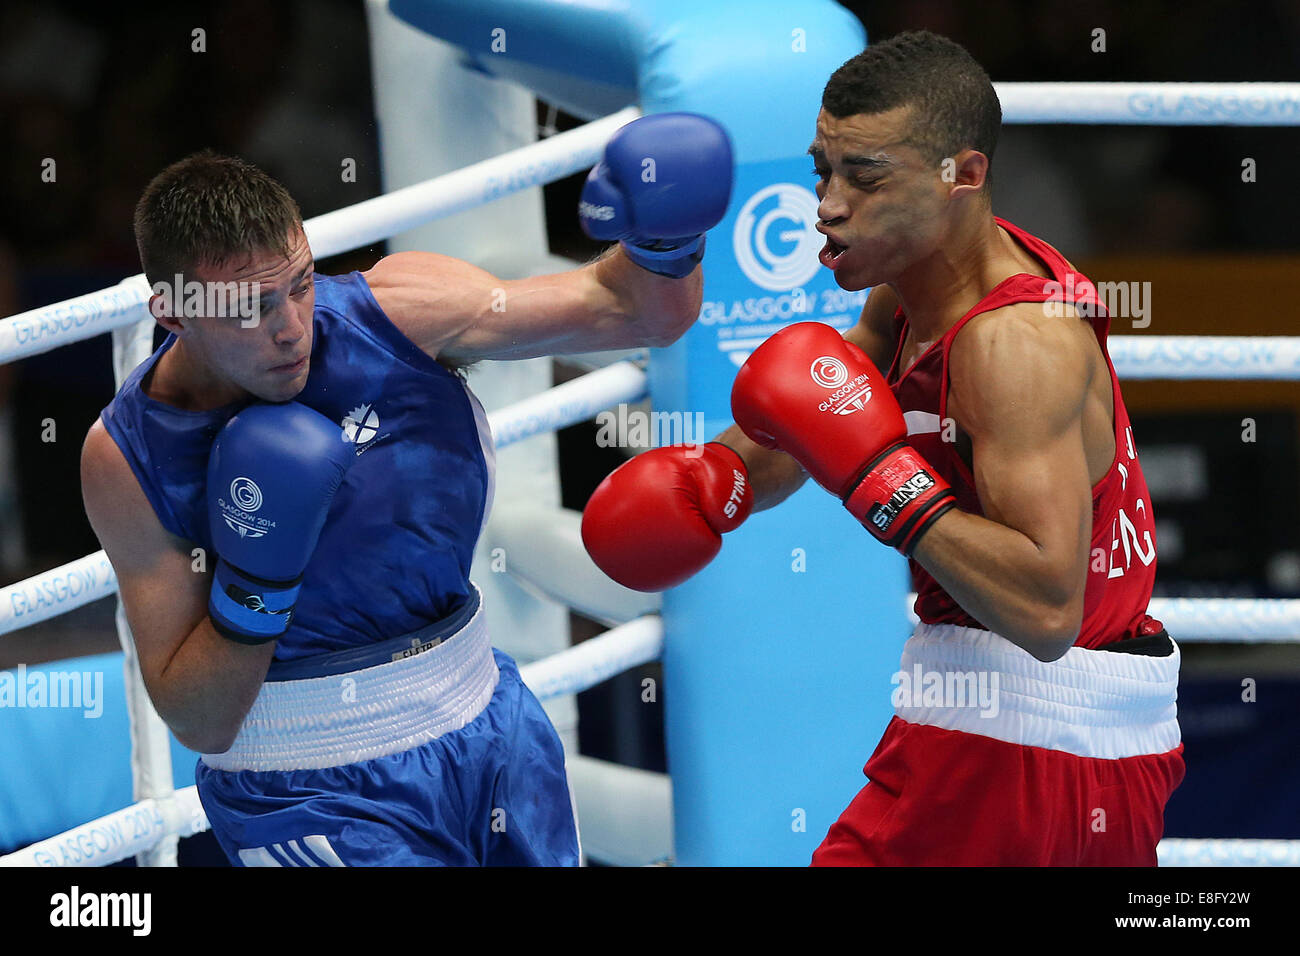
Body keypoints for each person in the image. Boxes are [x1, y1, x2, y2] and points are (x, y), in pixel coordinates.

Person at [581, 31, 1184, 866]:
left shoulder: (1011, 347)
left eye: (865, 178)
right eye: (821, 169)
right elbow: (815, 425)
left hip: (1038, 740)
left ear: (963, 176)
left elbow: (1047, 612)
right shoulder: (914, 296)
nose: (827, 204)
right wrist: (711, 479)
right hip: (993, 722)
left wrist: (884, 484)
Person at [79, 112, 733, 866]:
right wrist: (259, 582)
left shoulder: (395, 313)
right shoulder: (127, 455)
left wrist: (664, 241)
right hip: (304, 789)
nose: (292, 327)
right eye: (252, 309)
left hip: (488, 730)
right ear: (171, 311)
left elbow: (637, 311)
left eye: (299, 284)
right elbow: (199, 721)